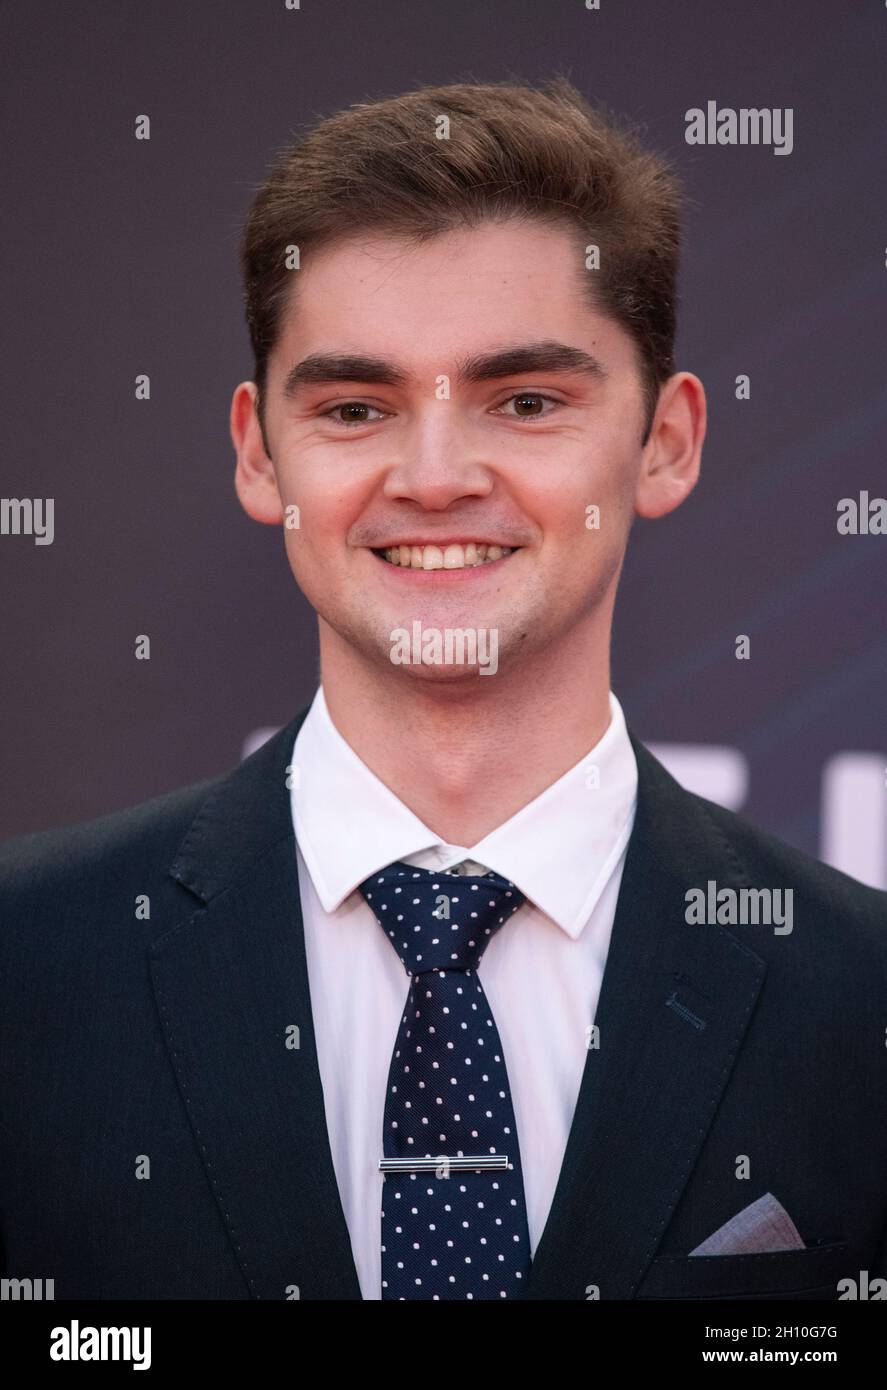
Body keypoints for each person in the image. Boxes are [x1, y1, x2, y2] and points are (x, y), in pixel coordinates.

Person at [1, 77, 885, 1302]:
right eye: (355, 407)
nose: (432, 476)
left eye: (523, 401)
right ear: (260, 452)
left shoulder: (860, 998)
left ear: (666, 441)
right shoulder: (25, 964)